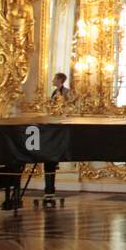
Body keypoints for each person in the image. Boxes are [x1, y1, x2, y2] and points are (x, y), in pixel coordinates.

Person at [44, 72, 71, 200]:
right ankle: (49, 189)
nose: (52, 80)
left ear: (60, 80)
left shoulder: (66, 92)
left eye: (54, 78)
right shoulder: (54, 92)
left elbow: (68, 107)